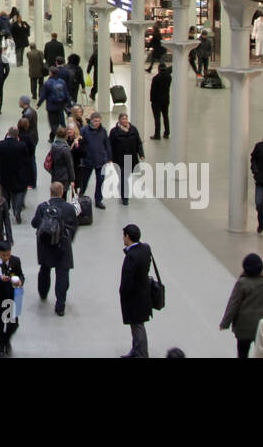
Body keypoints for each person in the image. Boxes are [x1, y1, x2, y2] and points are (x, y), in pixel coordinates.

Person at [30, 182, 78, 315]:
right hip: (63, 246)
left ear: (50, 192)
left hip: (45, 245)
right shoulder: (69, 208)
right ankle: (60, 305)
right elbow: (74, 226)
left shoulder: (43, 207)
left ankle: (43, 293)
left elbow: (34, 223)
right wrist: (68, 240)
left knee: (45, 270)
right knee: (62, 274)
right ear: (62, 193)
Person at [219, 252, 263, 358]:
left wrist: (225, 323)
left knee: (242, 353)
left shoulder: (242, 283)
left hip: (244, 328)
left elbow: (233, 304)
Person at [0, 239, 25, 357]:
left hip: (12, 298)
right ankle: (0, 348)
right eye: (3, 255)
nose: (6, 257)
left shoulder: (15, 261)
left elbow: (21, 275)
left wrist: (20, 281)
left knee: (13, 324)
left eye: (8, 254)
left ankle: (6, 340)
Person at [120, 224, 153, 357]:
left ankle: (141, 353)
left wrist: (123, 293)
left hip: (135, 297)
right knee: (137, 324)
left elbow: (127, 280)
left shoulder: (131, 256)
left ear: (127, 236)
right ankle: (136, 349)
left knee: (137, 325)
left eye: (124, 235)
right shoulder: (145, 249)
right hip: (144, 293)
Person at [0, 126, 31, 225]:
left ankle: (6, 208)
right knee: (18, 192)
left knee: (5, 192)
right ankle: (17, 210)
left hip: (4, 174)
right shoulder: (22, 145)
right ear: (17, 135)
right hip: (18, 174)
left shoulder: (0, 145)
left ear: (8, 133)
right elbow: (27, 157)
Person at [108, 112, 144, 206]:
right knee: (124, 177)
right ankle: (125, 198)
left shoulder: (133, 130)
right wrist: (110, 157)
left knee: (125, 177)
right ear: (119, 120)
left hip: (129, 158)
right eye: (123, 119)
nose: (124, 120)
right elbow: (110, 145)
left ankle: (121, 189)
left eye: (126, 118)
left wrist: (141, 154)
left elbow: (138, 143)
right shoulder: (114, 132)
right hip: (118, 158)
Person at [78, 112, 111, 210]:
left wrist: (109, 157)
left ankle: (98, 200)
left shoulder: (103, 131)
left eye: (98, 121)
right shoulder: (84, 130)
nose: (97, 123)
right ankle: (80, 195)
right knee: (84, 180)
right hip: (88, 160)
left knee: (100, 180)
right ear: (91, 120)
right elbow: (80, 145)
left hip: (100, 160)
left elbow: (107, 144)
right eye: (95, 121)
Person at [39, 66, 71, 142]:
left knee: (53, 123)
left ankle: (58, 136)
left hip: (51, 107)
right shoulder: (62, 82)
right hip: (60, 106)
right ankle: (63, 135)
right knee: (60, 121)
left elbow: (43, 95)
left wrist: (39, 104)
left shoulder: (48, 83)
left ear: (50, 73)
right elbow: (66, 93)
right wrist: (69, 104)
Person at [45, 129, 76, 199]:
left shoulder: (53, 146)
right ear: (66, 136)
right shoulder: (65, 149)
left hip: (55, 173)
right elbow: (70, 165)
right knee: (63, 194)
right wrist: (72, 179)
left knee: (55, 193)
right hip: (64, 175)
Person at [149, 63, 171, 140]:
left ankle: (157, 134)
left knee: (157, 118)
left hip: (156, 101)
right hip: (166, 100)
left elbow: (152, 91)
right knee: (165, 116)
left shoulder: (156, 78)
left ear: (158, 69)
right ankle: (167, 133)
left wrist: (151, 100)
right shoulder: (169, 77)